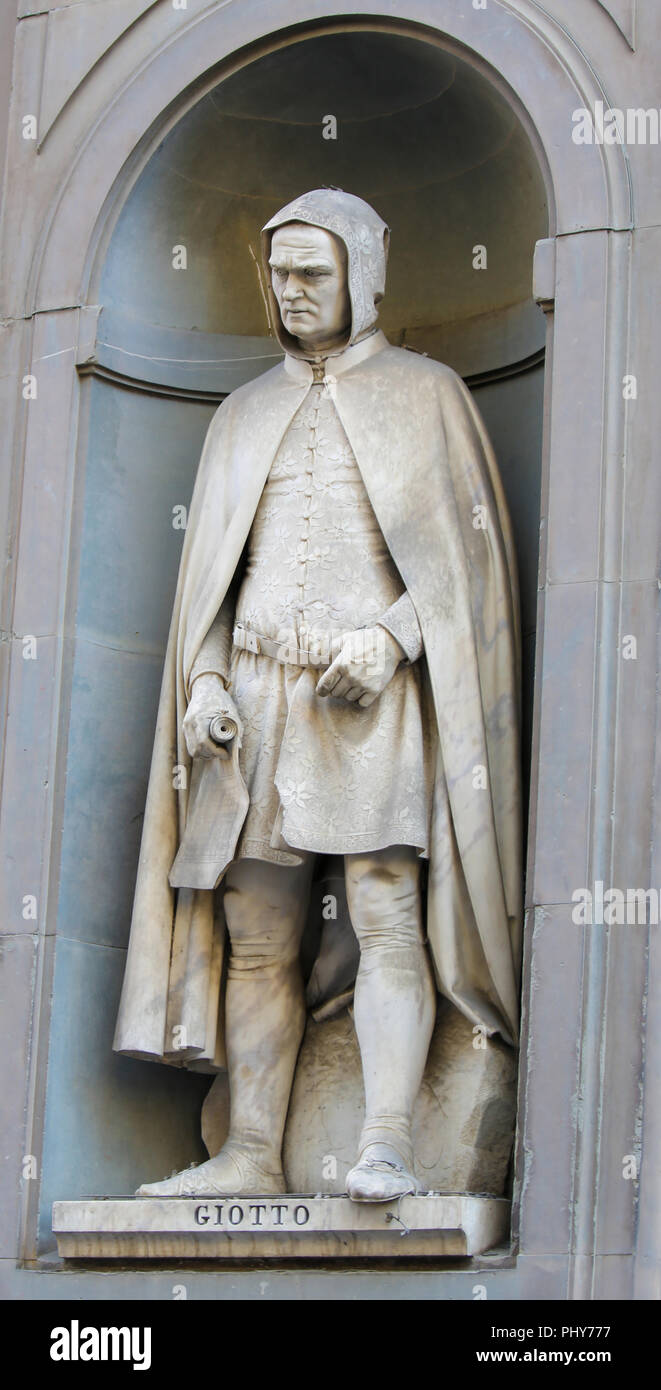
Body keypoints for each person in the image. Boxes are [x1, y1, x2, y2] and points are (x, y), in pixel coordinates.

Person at [114, 188, 522, 1203]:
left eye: (312, 273)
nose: (291, 292)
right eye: (280, 274)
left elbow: (468, 572)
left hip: (367, 698)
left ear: (362, 275)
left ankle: (386, 1138)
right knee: (257, 937)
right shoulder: (241, 411)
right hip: (253, 696)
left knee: (385, 906)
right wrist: (205, 681)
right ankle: (252, 1149)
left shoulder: (426, 394)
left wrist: (391, 642)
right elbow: (206, 581)